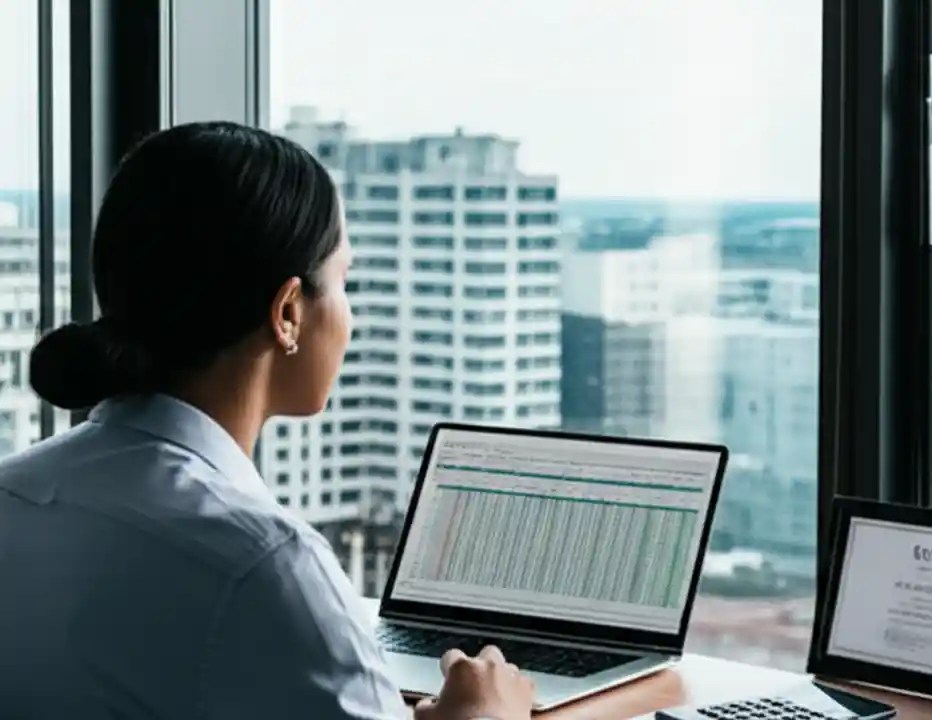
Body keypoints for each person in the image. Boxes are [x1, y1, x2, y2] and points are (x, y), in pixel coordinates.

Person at [0, 122, 534, 720]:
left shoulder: (12, 493)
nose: (350, 318)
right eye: (343, 283)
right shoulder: (265, 566)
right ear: (287, 313)